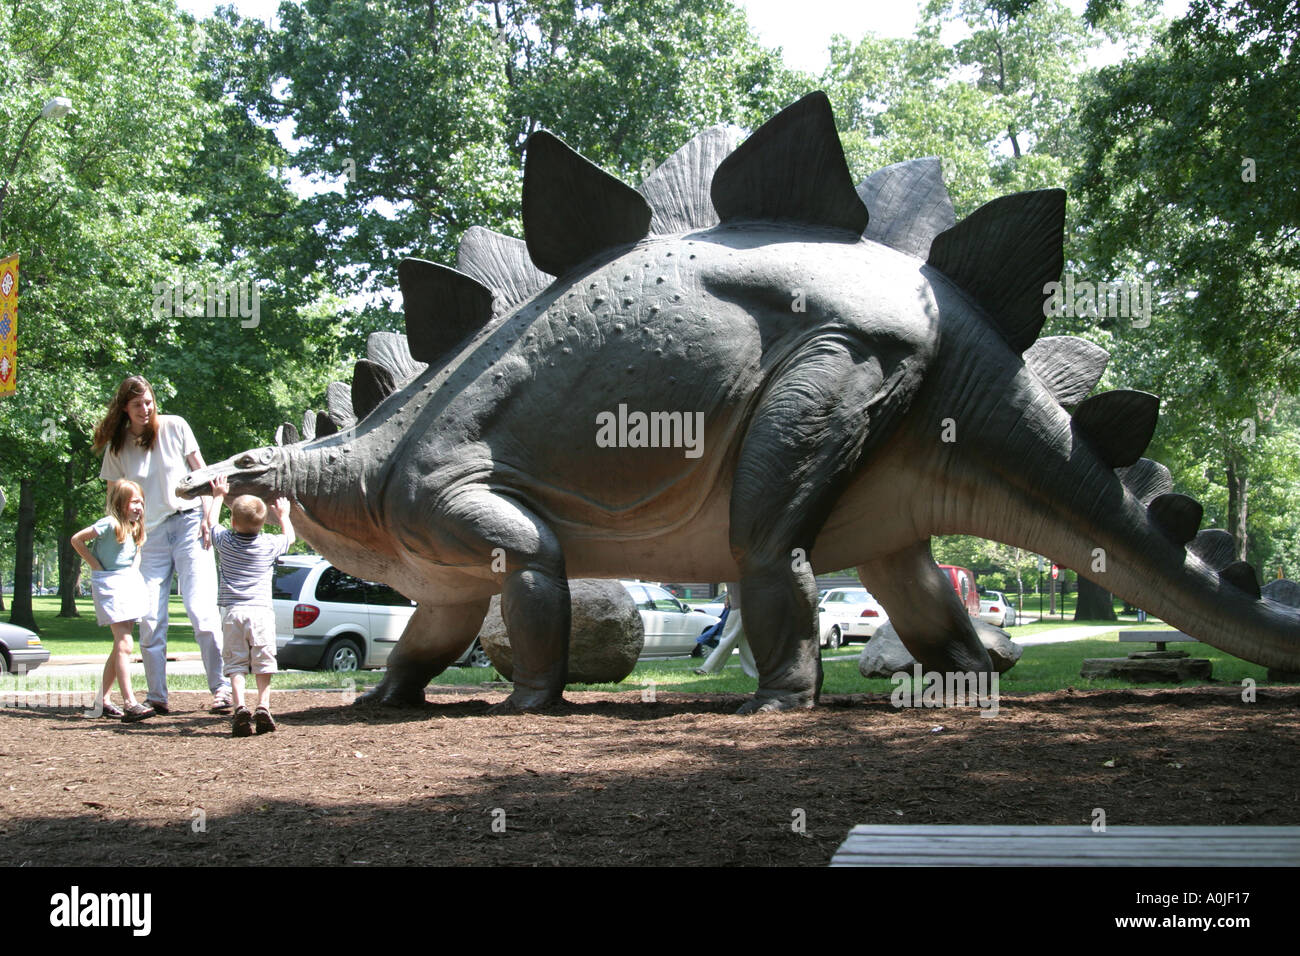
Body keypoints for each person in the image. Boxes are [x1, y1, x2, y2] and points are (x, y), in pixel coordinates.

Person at [93, 376, 230, 714]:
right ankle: (157, 696)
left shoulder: (175, 426)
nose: (146, 409)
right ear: (125, 407)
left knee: (202, 611)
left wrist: (208, 519)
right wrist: (121, 540)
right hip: (148, 537)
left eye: (149, 401)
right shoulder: (117, 447)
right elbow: (115, 500)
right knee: (151, 619)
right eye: (137, 404)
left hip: (189, 526)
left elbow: (209, 478)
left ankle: (222, 689)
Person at [209, 476, 294, 736]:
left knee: (235, 662)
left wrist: (218, 496)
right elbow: (289, 537)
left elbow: (211, 522)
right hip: (261, 612)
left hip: (233, 612)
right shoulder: (269, 545)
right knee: (263, 660)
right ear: (262, 522)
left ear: (233, 522)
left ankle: (240, 706)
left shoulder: (225, 542)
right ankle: (264, 705)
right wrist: (283, 515)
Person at [70, 480, 154, 722]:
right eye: (134, 502)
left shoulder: (136, 527)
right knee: (125, 643)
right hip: (109, 584)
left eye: (141, 502)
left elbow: (137, 552)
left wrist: (133, 573)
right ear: (120, 503)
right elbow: (77, 539)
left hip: (128, 582)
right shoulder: (109, 524)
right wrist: (95, 566)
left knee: (121, 645)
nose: (139, 507)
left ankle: (103, 700)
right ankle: (130, 703)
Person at [693, 583, 759, 678]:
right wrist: (728, 596)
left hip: (741, 607)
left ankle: (708, 668)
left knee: (728, 637)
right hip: (742, 606)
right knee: (745, 641)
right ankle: (754, 672)